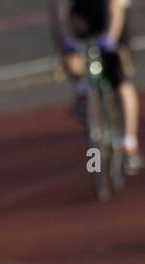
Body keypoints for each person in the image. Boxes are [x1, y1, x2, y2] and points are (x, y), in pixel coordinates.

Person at [51, 0, 141, 172]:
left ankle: (130, 145)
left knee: (120, 80)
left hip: (112, 14)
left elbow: (115, 9)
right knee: (70, 55)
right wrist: (68, 45)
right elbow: (59, 16)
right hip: (84, 14)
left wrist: (110, 39)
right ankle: (83, 92)